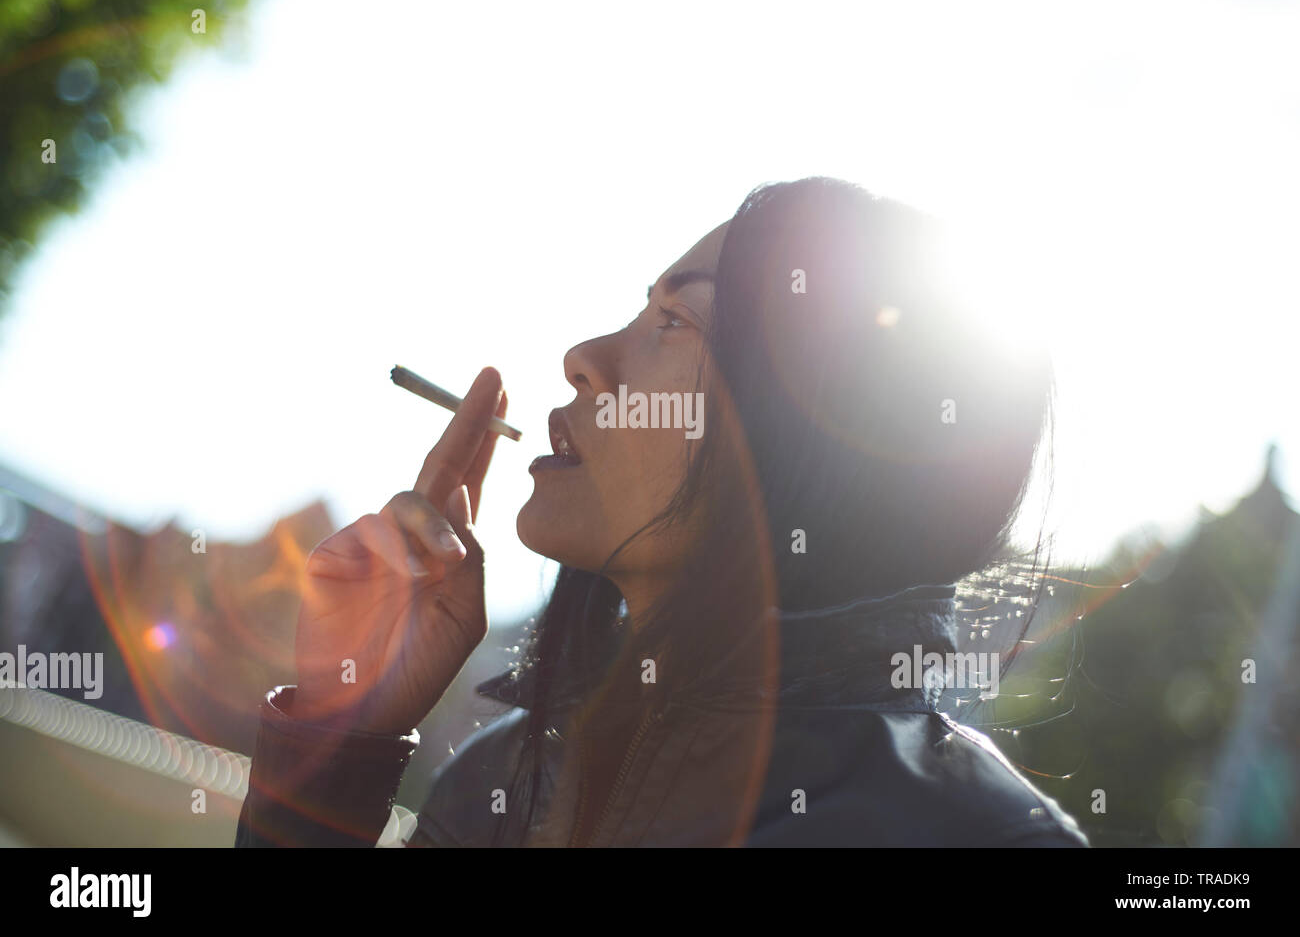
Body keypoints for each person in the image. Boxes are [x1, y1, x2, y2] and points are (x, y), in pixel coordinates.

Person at [235, 176, 1087, 847]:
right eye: (642, 307)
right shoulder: (503, 784)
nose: (582, 358)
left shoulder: (973, 837)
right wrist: (340, 737)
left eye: (673, 319)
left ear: (812, 426)